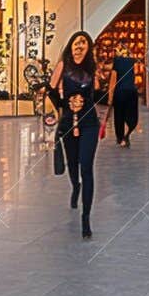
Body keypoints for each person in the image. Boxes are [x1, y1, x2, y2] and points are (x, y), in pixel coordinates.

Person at [50, 31, 102, 238]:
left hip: (89, 123)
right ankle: (75, 187)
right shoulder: (63, 65)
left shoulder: (92, 68)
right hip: (68, 123)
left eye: (83, 43)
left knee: (86, 165)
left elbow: (98, 95)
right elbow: (50, 89)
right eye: (76, 43)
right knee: (73, 164)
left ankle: (86, 217)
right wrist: (62, 107)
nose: (79, 47)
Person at [107, 49, 139, 147]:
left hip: (119, 92)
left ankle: (120, 137)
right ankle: (127, 133)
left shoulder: (117, 62)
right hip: (131, 91)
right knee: (131, 114)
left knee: (119, 116)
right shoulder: (131, 62)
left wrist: (110, 96)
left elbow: (113, 79)